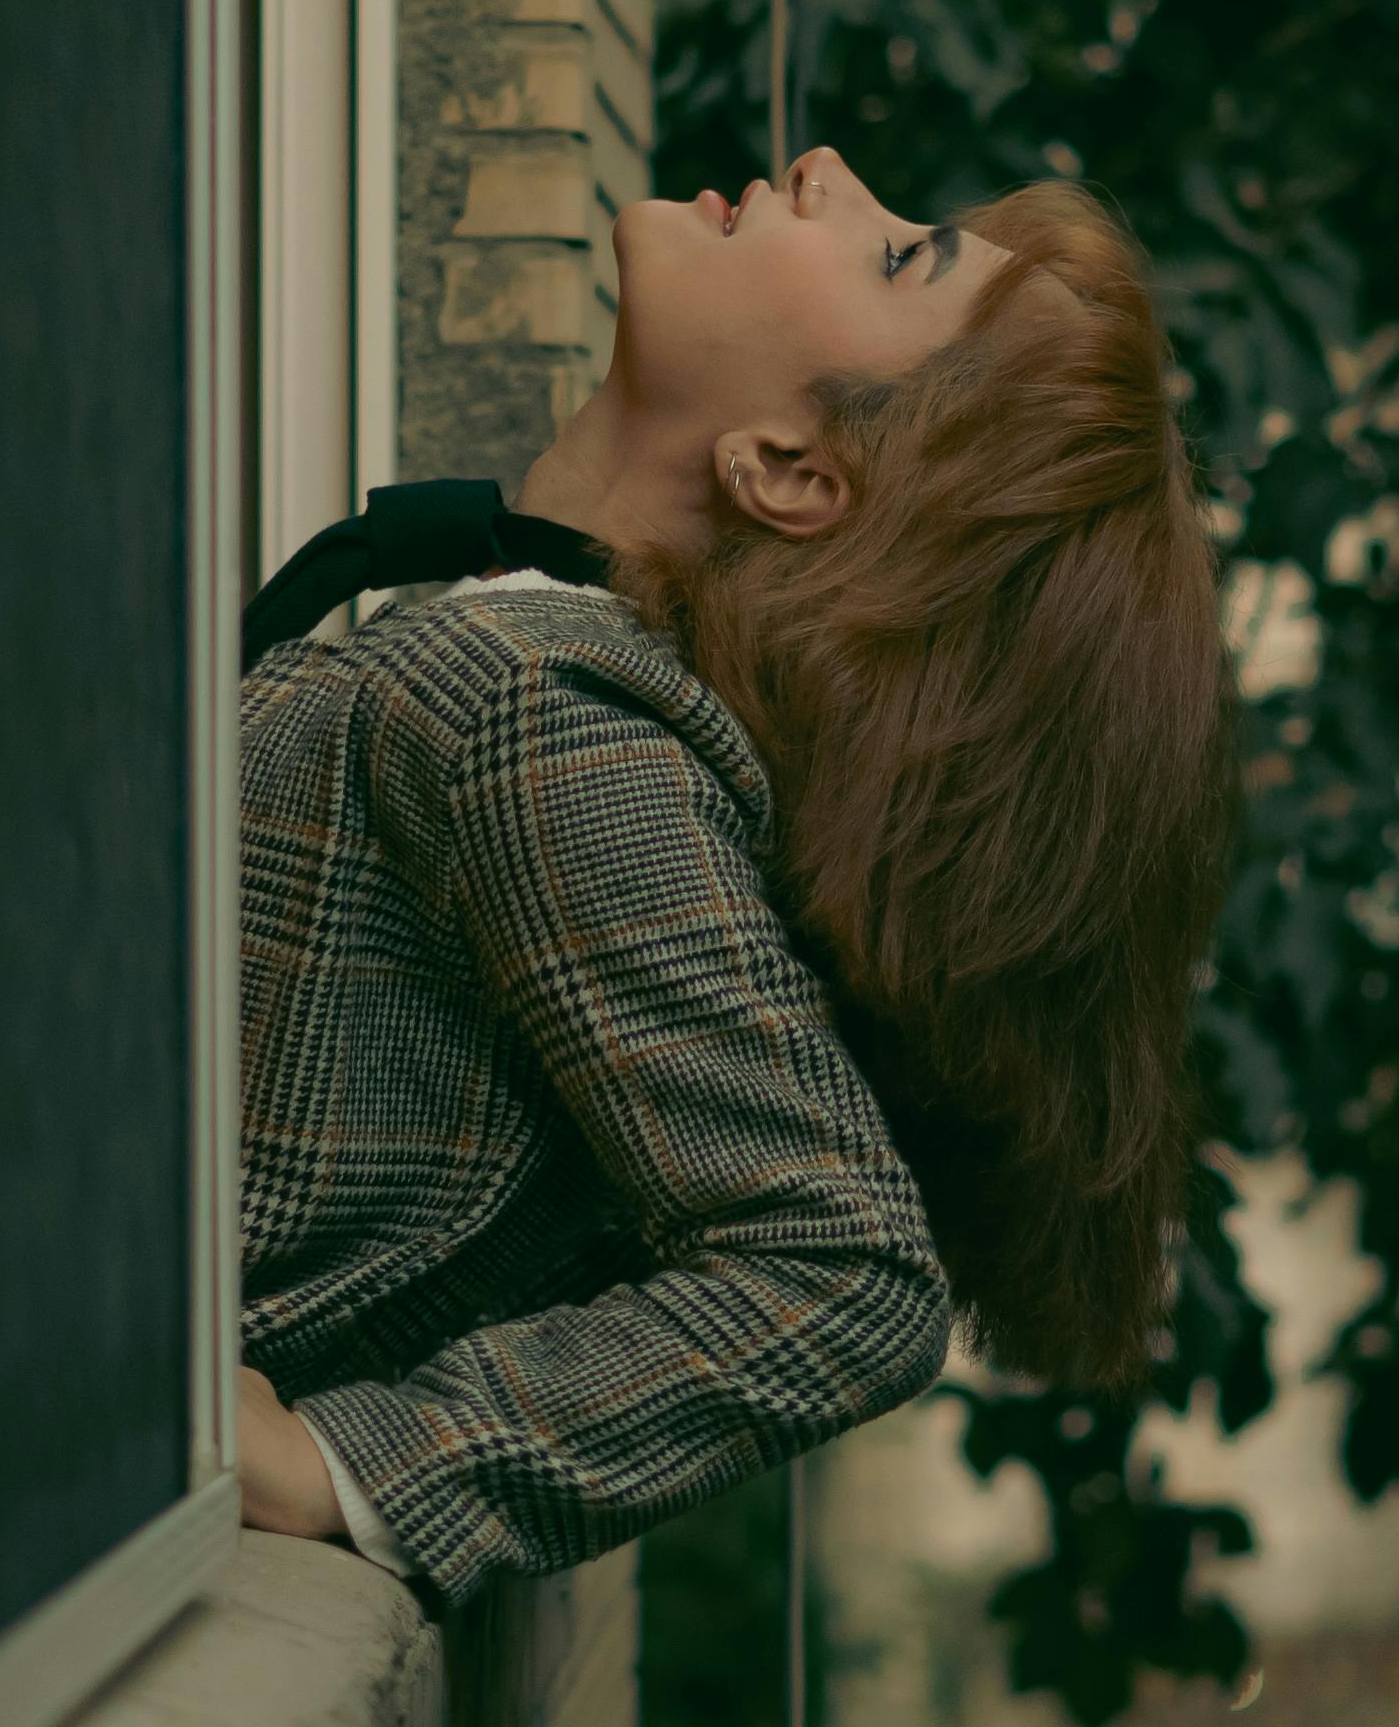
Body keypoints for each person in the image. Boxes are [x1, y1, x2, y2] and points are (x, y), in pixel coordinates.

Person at [229, 142, 1235, 1606]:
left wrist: (360, 1468)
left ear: (790, 470)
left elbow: (842, 1279)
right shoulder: (537, 658)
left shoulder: (544, 701)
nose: (827, 169)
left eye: (900, 257)